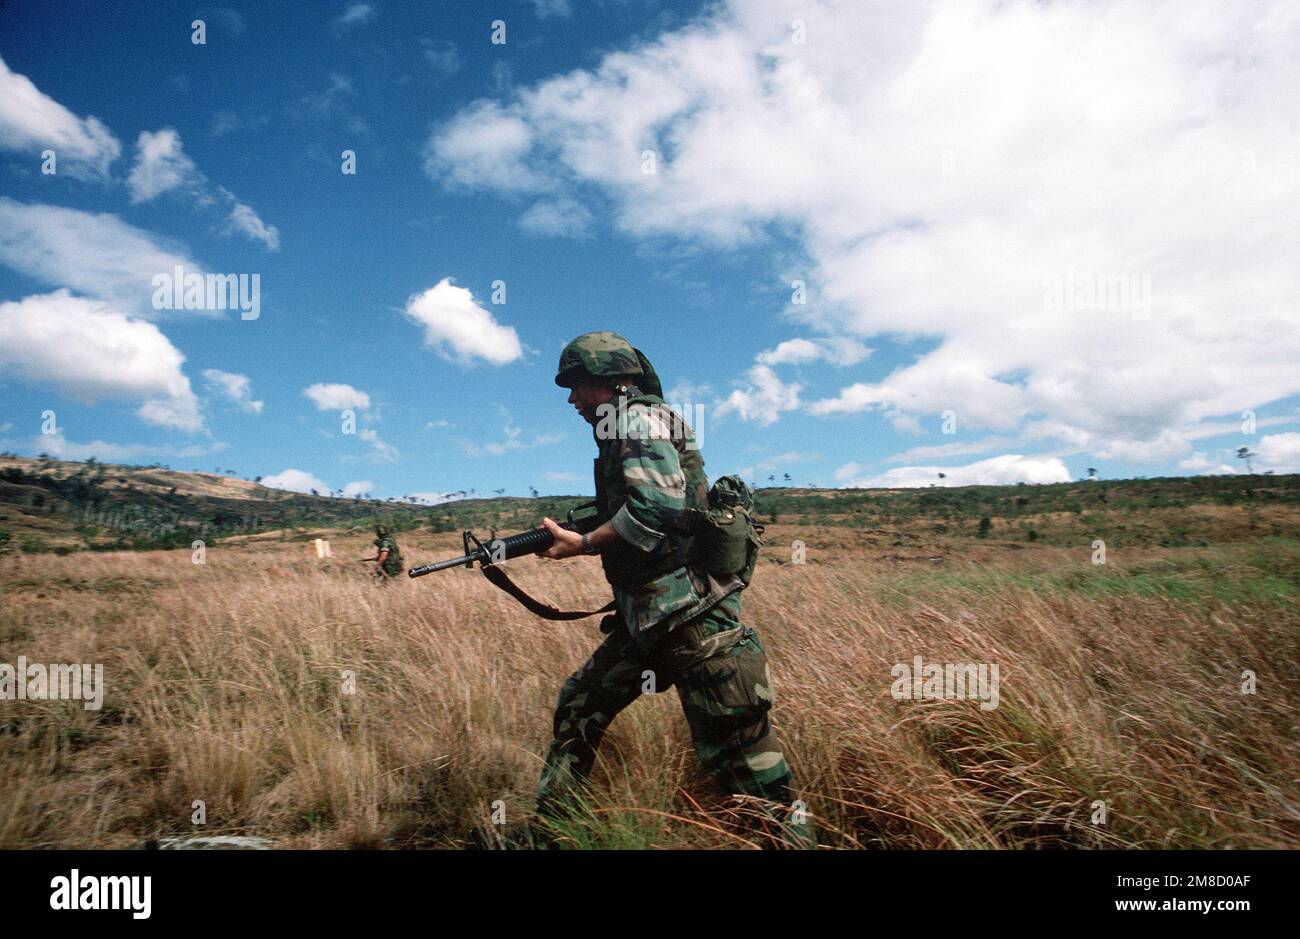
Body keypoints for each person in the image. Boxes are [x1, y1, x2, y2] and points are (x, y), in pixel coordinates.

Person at [525, 331, 811, 848]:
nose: (571, 399)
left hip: (692, 620)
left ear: (610, 380)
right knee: (580, 705)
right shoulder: (625, 425)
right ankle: (548, 833)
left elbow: (654, 511)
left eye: (577, 385)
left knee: (739, 755)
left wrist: (582, 542)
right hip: (652, 620)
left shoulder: (635, 419)